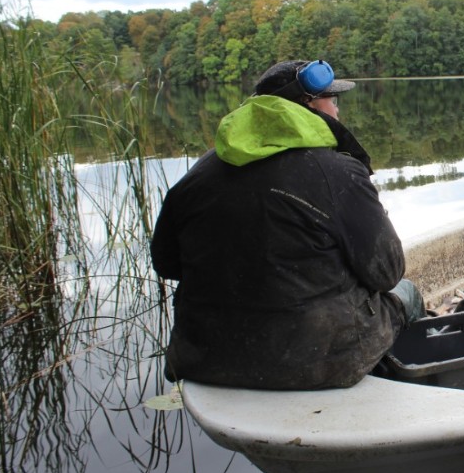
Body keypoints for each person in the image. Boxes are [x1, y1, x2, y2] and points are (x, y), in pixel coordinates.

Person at [150, 59, 424, 390]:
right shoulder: (338, 171)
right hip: (321, 362)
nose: (337, 111)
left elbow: (166, 264)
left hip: (203, 359)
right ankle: (410, 386)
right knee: (407, 292)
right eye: (332, 101)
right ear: (308, 107)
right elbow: (387, 272)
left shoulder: (200, 171)